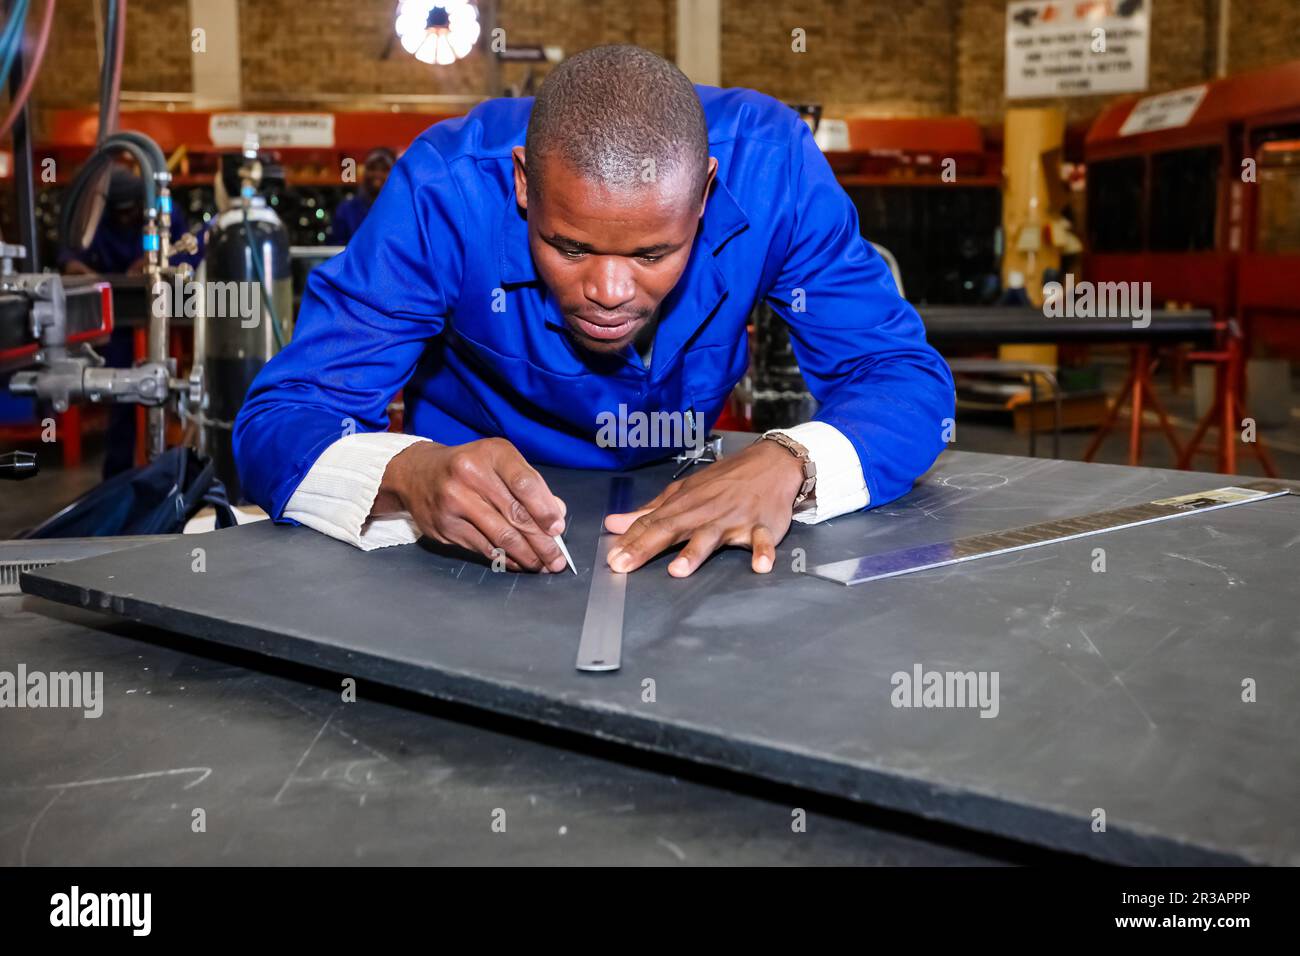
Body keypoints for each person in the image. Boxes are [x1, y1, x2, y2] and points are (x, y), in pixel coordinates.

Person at [234, 45, 954, 578]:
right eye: (568, 246)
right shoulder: (443, 193)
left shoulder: (776, 173)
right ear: (522, 183)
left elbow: (904, 378)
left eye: (650, 254)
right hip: (472, 540)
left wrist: (792, 461)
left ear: (704, 195)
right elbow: (283, 415)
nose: (609, 291)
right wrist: (411, 476)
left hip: (681, 491)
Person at [61, 166, 201, 477]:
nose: (125, 218)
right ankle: (119, 476)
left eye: (131, 212)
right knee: (121, 396)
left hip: (165, 313)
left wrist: (158, 264)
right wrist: (82, 273)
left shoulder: (163, 212)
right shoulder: (93, 214)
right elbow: (69, 255)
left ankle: (170, 472)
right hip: (114, 317)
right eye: (119, 213)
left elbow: (190, 253)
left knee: (168, 391)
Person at [327, 147, 395, 244]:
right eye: (372, 168)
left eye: (384, 169)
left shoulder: (402, 210)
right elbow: (335, 247)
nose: (377, 174)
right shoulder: (346, 210)